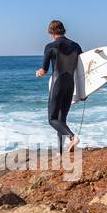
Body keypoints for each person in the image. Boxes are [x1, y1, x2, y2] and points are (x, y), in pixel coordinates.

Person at [35, 19, 82, 152]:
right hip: (70, 84)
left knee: (52, 119)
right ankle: (61, 151)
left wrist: (39, 73)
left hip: (58, 82)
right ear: (64, 30)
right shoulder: (76, 46)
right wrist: (83, 92)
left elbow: (44, 70)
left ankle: (73, 138)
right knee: (61, 120)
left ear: (51, 32)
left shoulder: (50, 46)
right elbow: (82, 70)